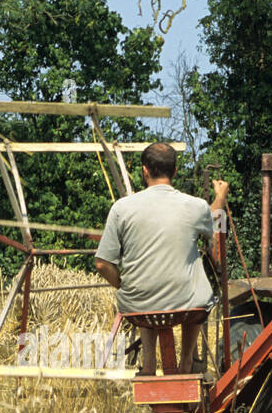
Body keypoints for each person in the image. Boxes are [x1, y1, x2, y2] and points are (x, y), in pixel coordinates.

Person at [93, 142, 229, 375]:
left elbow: (102, 263)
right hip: (188, 307)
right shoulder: (195, 206)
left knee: (144, 294)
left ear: (144, 170)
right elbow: (215, 219)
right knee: (197, 294)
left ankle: (148, 365)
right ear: (175, 171)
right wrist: (220, 196)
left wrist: (123, 285)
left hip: (138, 306)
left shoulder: (121, 208)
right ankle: (186, 362)